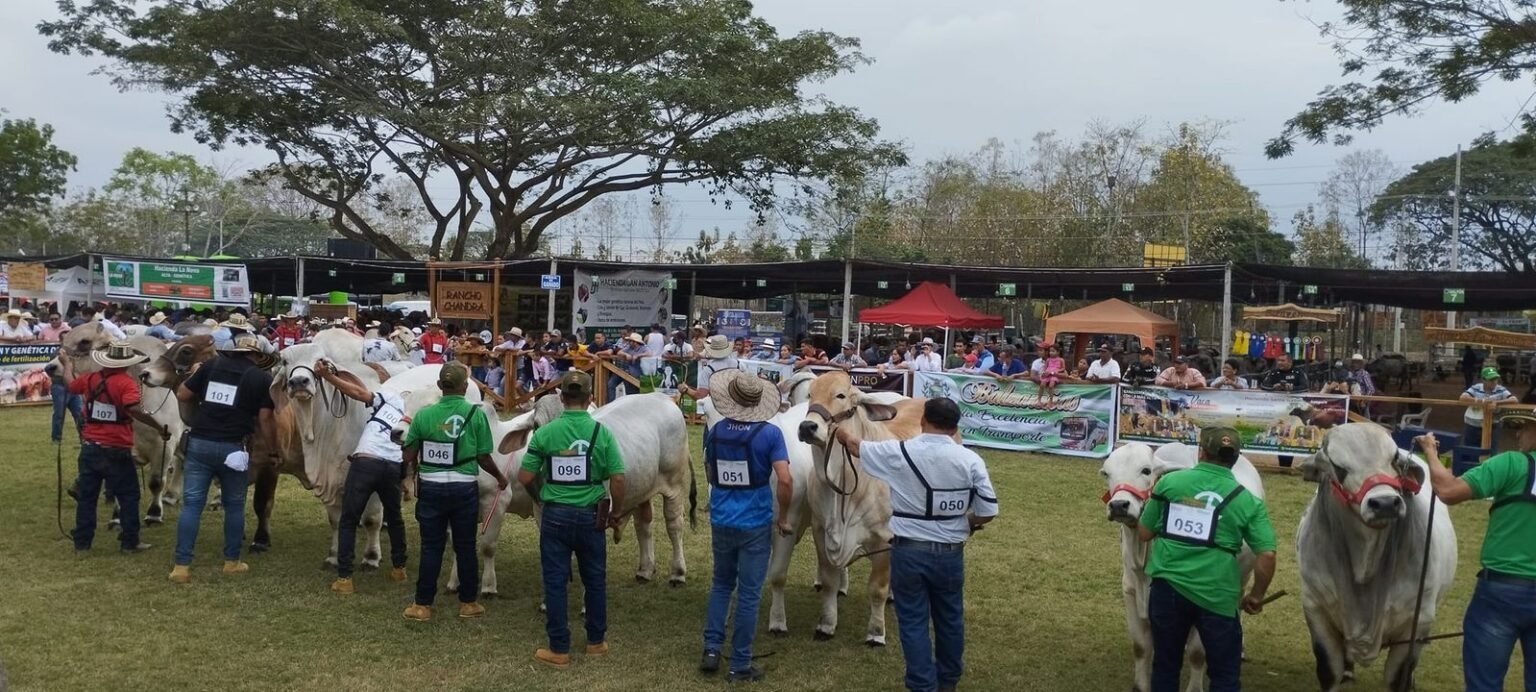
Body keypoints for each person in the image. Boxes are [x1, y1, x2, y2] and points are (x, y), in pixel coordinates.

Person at [832, 398, 999, 692]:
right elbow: (988, 510)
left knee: (913, 621)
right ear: (955, 426)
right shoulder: (970, 459)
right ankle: (948, 680)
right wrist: (966, 524)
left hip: (908, 551)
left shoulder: (900, 451)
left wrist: (841, 431)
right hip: (949, 553)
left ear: (922, 421)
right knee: (950, 618)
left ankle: (922, 684)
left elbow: (857, 447)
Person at [1137, 427, 1277, 692]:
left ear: (1201, 452)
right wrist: (1257, 595)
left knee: (1165, 666)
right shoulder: (1249, 501)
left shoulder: (1169, 484)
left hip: (1168, 590)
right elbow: (1267, 555)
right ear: (1236, 459)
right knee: (1224, 675)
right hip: (1219, 596)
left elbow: (1144, 533)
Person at [1417, 410, 1536, 692]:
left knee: (1484, 685)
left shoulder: (1513, 463)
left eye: (1526, 428)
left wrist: (1431, 452)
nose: (1518, 434)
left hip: (1503, 591)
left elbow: (1447, 490)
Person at [517, 371, 626, 668]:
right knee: (595, 579)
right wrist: (616, 511)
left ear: (562, 398)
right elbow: (618, 478)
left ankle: (559, 648)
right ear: (591, 398)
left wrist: (540, 496)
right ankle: (595, 642)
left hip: (554, 516)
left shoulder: (544, 434)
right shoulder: (601, 432)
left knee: (554, 581)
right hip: (592, 514)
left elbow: (524, 475)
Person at [697, 370, 793, 682]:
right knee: (749, 593)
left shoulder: (716, 431)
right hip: (755, 520)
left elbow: (710, 469)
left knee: (721, 584)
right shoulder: (770, 434)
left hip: (722, 517)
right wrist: (784, 516)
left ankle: (711, 648)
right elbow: (786, 478)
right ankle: (739, 663)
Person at [400, 362, 505, 620]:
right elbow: (483, 457)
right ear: (465, 386)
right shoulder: (476, 415)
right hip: (463, 487)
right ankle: (469, 602)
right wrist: (500, 477)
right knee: (465, 545)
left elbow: (408, 454)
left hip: (431, 488)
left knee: (431, 546)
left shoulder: (423, 416)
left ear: (439, 386)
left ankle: (422, 604)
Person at [171, 333, 277, 583]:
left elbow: (183, 395)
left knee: (192, 506)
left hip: (199, 443)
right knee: (234, 506)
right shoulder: (261, 378)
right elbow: (265, 418)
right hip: (234, 448)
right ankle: (231, 562)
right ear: (258, 356)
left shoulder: (211, 365)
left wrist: (195, 376)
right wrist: (273, 449)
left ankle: (181, 566)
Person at [60, 340, 169, 554]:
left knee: (88, 497)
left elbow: (70, 385)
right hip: (116, 447)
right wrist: (157, 426)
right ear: (127, 363)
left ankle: (82, 541)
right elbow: (134, 409)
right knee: (129, 496)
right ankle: (130, 541)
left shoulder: (90, 379)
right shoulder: (126, 384)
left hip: (91, 446)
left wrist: (68, 365)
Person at [313, 358, 410, 594]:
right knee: (395, 518)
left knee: (348, 518)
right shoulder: (413, 414)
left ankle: (345, 578)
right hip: (393, 465)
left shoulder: (389, 399)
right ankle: (399, 569)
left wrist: (329, 378)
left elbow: (357, 392)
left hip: (367, 460)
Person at [1461, 367, 1516, 450]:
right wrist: (1481, 401)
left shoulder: (1501, 389)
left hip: (1492, 425)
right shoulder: (1476, 388)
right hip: (1473, 424)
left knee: (1491, 450)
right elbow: (1462, 398)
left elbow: (1514, 400)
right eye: (1491, 380)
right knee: (1470, 450)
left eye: (1496, 379)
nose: (1494, 382)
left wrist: (1497, 402)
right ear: (1483, 380)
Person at [683, 334, 738, 400]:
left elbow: (701, 396)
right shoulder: (740, 365)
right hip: (737, 406)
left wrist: (686, 389)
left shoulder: (708, 369)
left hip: (717, 406)